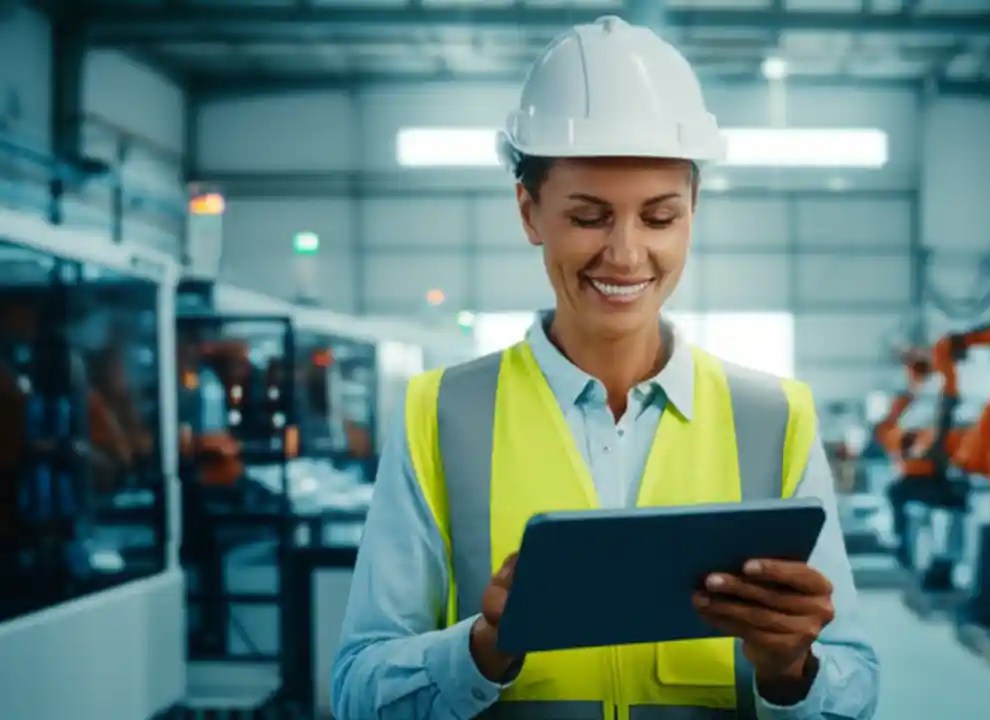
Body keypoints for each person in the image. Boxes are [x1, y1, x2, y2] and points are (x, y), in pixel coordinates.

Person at [332, 15, 880, 720]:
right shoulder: (441, 415)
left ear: (693, 212)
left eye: (659, 218)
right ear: (530, 211)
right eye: (589, 217)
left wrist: (791, 671)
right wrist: (481, 649)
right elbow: (356, 694)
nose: (625, 255)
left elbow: (857, 689)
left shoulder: (773, 417)